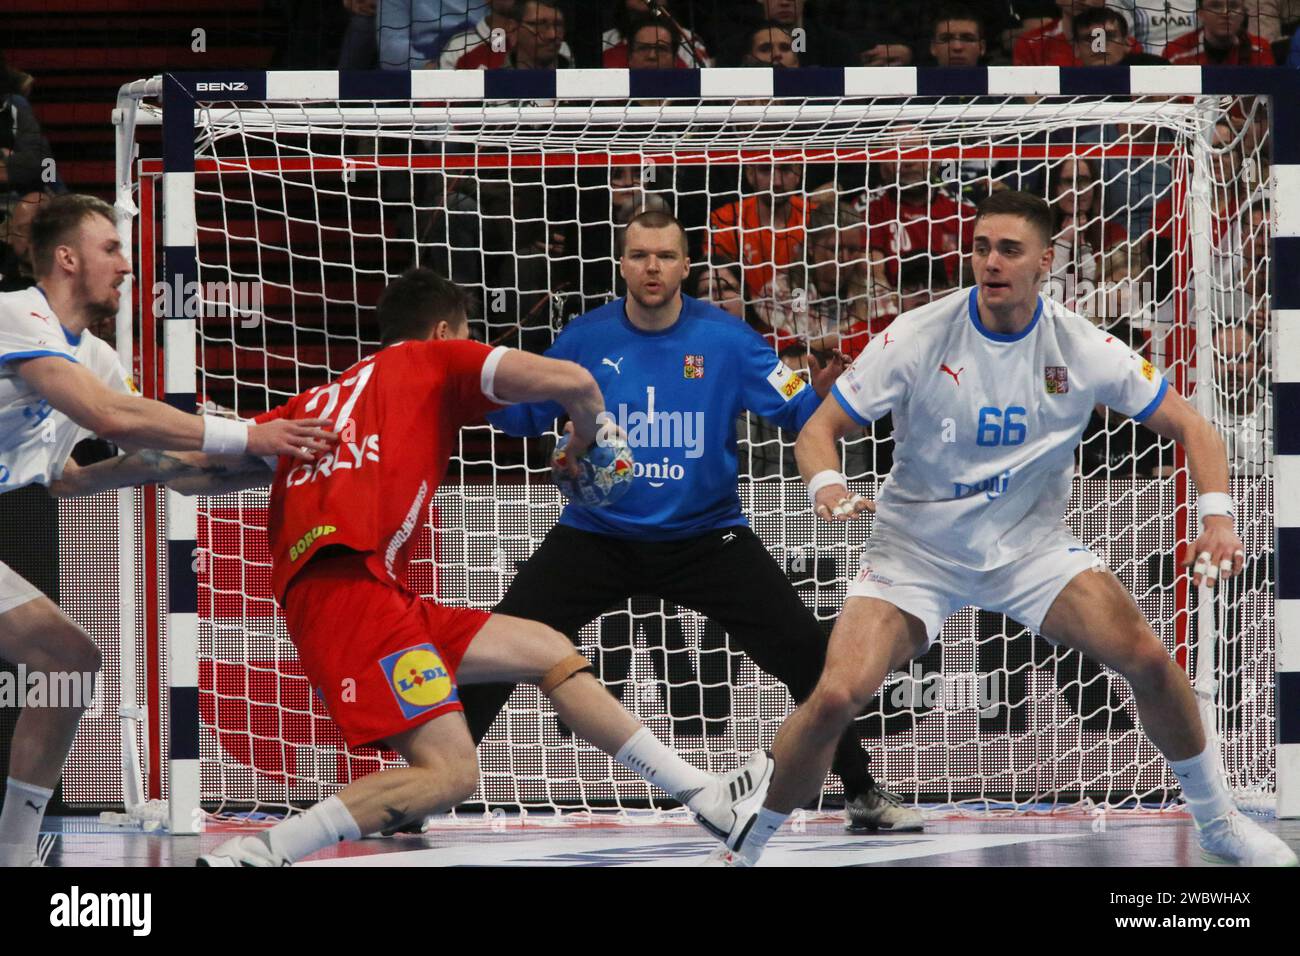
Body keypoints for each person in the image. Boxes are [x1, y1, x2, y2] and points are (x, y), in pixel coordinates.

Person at [707, 190, 1297, 866]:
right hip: (914, 551)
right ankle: (745, 846)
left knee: (1151, 662)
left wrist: (1218, 515)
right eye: (982, 247)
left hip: (1031, 550)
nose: (991, 261)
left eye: (1009, 250)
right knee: (837, 694)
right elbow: (819, 428)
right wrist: (829, 484)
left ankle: (1218, 824)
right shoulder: (918, 334)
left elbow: (1193, 425)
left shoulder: (1079, 343)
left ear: (1045, 261)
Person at [195, 267, 771, 865]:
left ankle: (706, 798)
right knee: (450, 775)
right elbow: (576, 380)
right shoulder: (433, 359)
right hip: (349, 590)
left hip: (373, 593)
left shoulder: (316, 403)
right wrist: (584, 442)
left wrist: (95, 466)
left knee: (545, 648)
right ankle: (258, 854)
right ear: (445, 332)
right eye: (469, 336)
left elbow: (190, 471)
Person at [456, 210, 923, 833]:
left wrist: (820, 391)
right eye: (640, 255)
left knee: (809, 655)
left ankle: (862, 792)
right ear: (621, 263)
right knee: (497, 648)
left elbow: (798, 412)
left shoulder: (730, 340)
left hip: (708, 536)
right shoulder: (584, 340)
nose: (652, 267)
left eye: (666, 256)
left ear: (685, 266)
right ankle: (429, 779)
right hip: (598, 535)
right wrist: (468, 383)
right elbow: (520, 416)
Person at [0, 195, 336, 867]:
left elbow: (73, 476)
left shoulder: (91, 357)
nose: (127, 267)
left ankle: (12, 851)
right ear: (66, 258)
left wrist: (268, 464)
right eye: (111, 250)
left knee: (69, 659)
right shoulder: (15, 315)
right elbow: (113, 416)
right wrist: (251, 431)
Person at [455, 0, 573, 70]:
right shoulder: (464, 48)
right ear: (513, 28)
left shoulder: (565, 54)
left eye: (558, 25)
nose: (552, 35)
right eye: (538, 24)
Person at [1163, 0, 1276, 62]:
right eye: (1215, 6)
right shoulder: (1176, 53)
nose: (1225, 13)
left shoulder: (1261, 49)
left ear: (1243, 13)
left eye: (1233, 5)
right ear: (1200, 14)